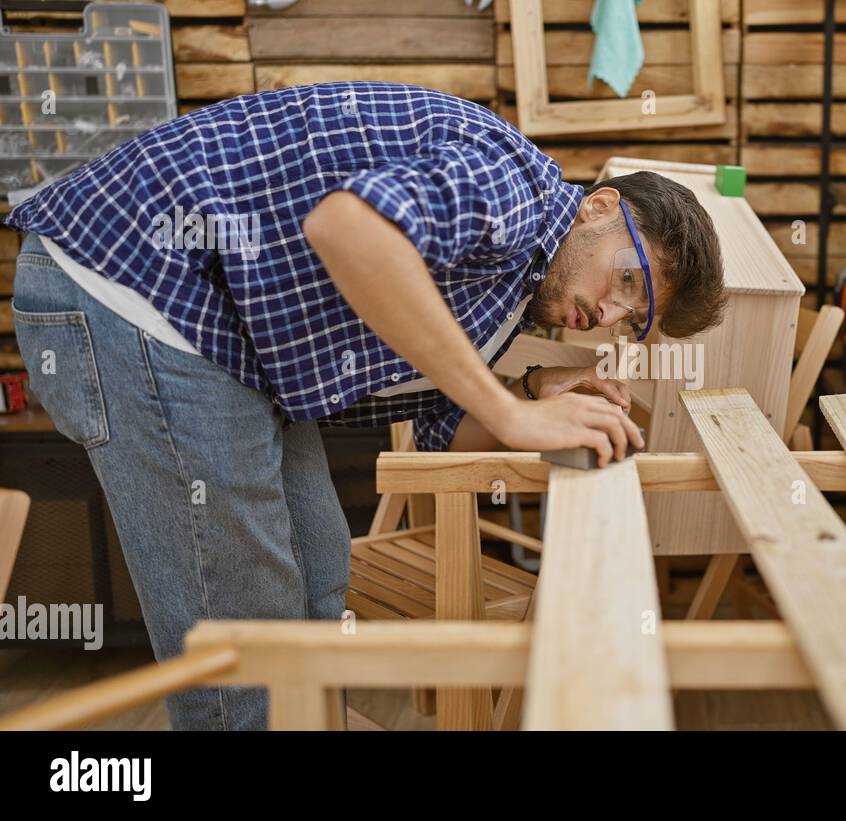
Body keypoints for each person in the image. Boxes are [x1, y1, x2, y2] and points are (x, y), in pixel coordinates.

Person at [5, 82, 726, 730]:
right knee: (245, 643)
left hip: (222, 332)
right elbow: (346, 228)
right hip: (136, 283)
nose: (607, 313)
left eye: (633, 317)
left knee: (319, 578)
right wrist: (514, 420)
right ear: (599, 207)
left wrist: (527, 395)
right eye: (626, 280)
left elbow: (440, 426)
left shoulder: (515, 282)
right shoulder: (515, 189)